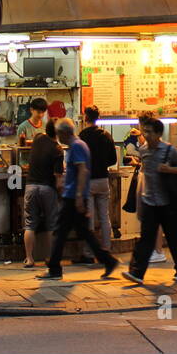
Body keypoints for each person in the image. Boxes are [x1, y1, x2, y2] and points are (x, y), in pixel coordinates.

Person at [38, 120, 118, 280]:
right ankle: (107, 260)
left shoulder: (77, 146)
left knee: (61, 233)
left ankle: (54, 268)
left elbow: (82, 171)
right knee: (82, 232)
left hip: (74, 197)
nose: (58, 137)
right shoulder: (80, 145)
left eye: (59, 134)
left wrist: (80, 197)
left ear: (64, 133)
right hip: (73, 195)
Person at [123, 115, 177, 285]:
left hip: (168, 203)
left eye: (149, 132)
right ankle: (137, 273)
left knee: (175, 239)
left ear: (159, 133)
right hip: (150, 202)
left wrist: (169, 169)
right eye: (145, 131)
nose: (146, 135)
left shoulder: (169, 150)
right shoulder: (144, 150)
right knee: (146, 239)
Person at [22, 120, 62, 269]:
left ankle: (29, 258)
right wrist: (61, 192)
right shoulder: (58, 149)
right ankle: (51, 258)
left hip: (31, 186)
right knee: (51, 224)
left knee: (30, 224)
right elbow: (58, 178)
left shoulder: (38, 139)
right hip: (47, 188)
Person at [78, 106, 118, 253]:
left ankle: (88, 252)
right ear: (98, 118)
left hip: (88, 181)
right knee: (104, 216)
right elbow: (113, 159)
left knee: (89, 217)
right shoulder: (106, 135)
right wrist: (101, 164)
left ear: (85, 118)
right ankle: (106, 249)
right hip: (103, 180)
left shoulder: (82, 136)